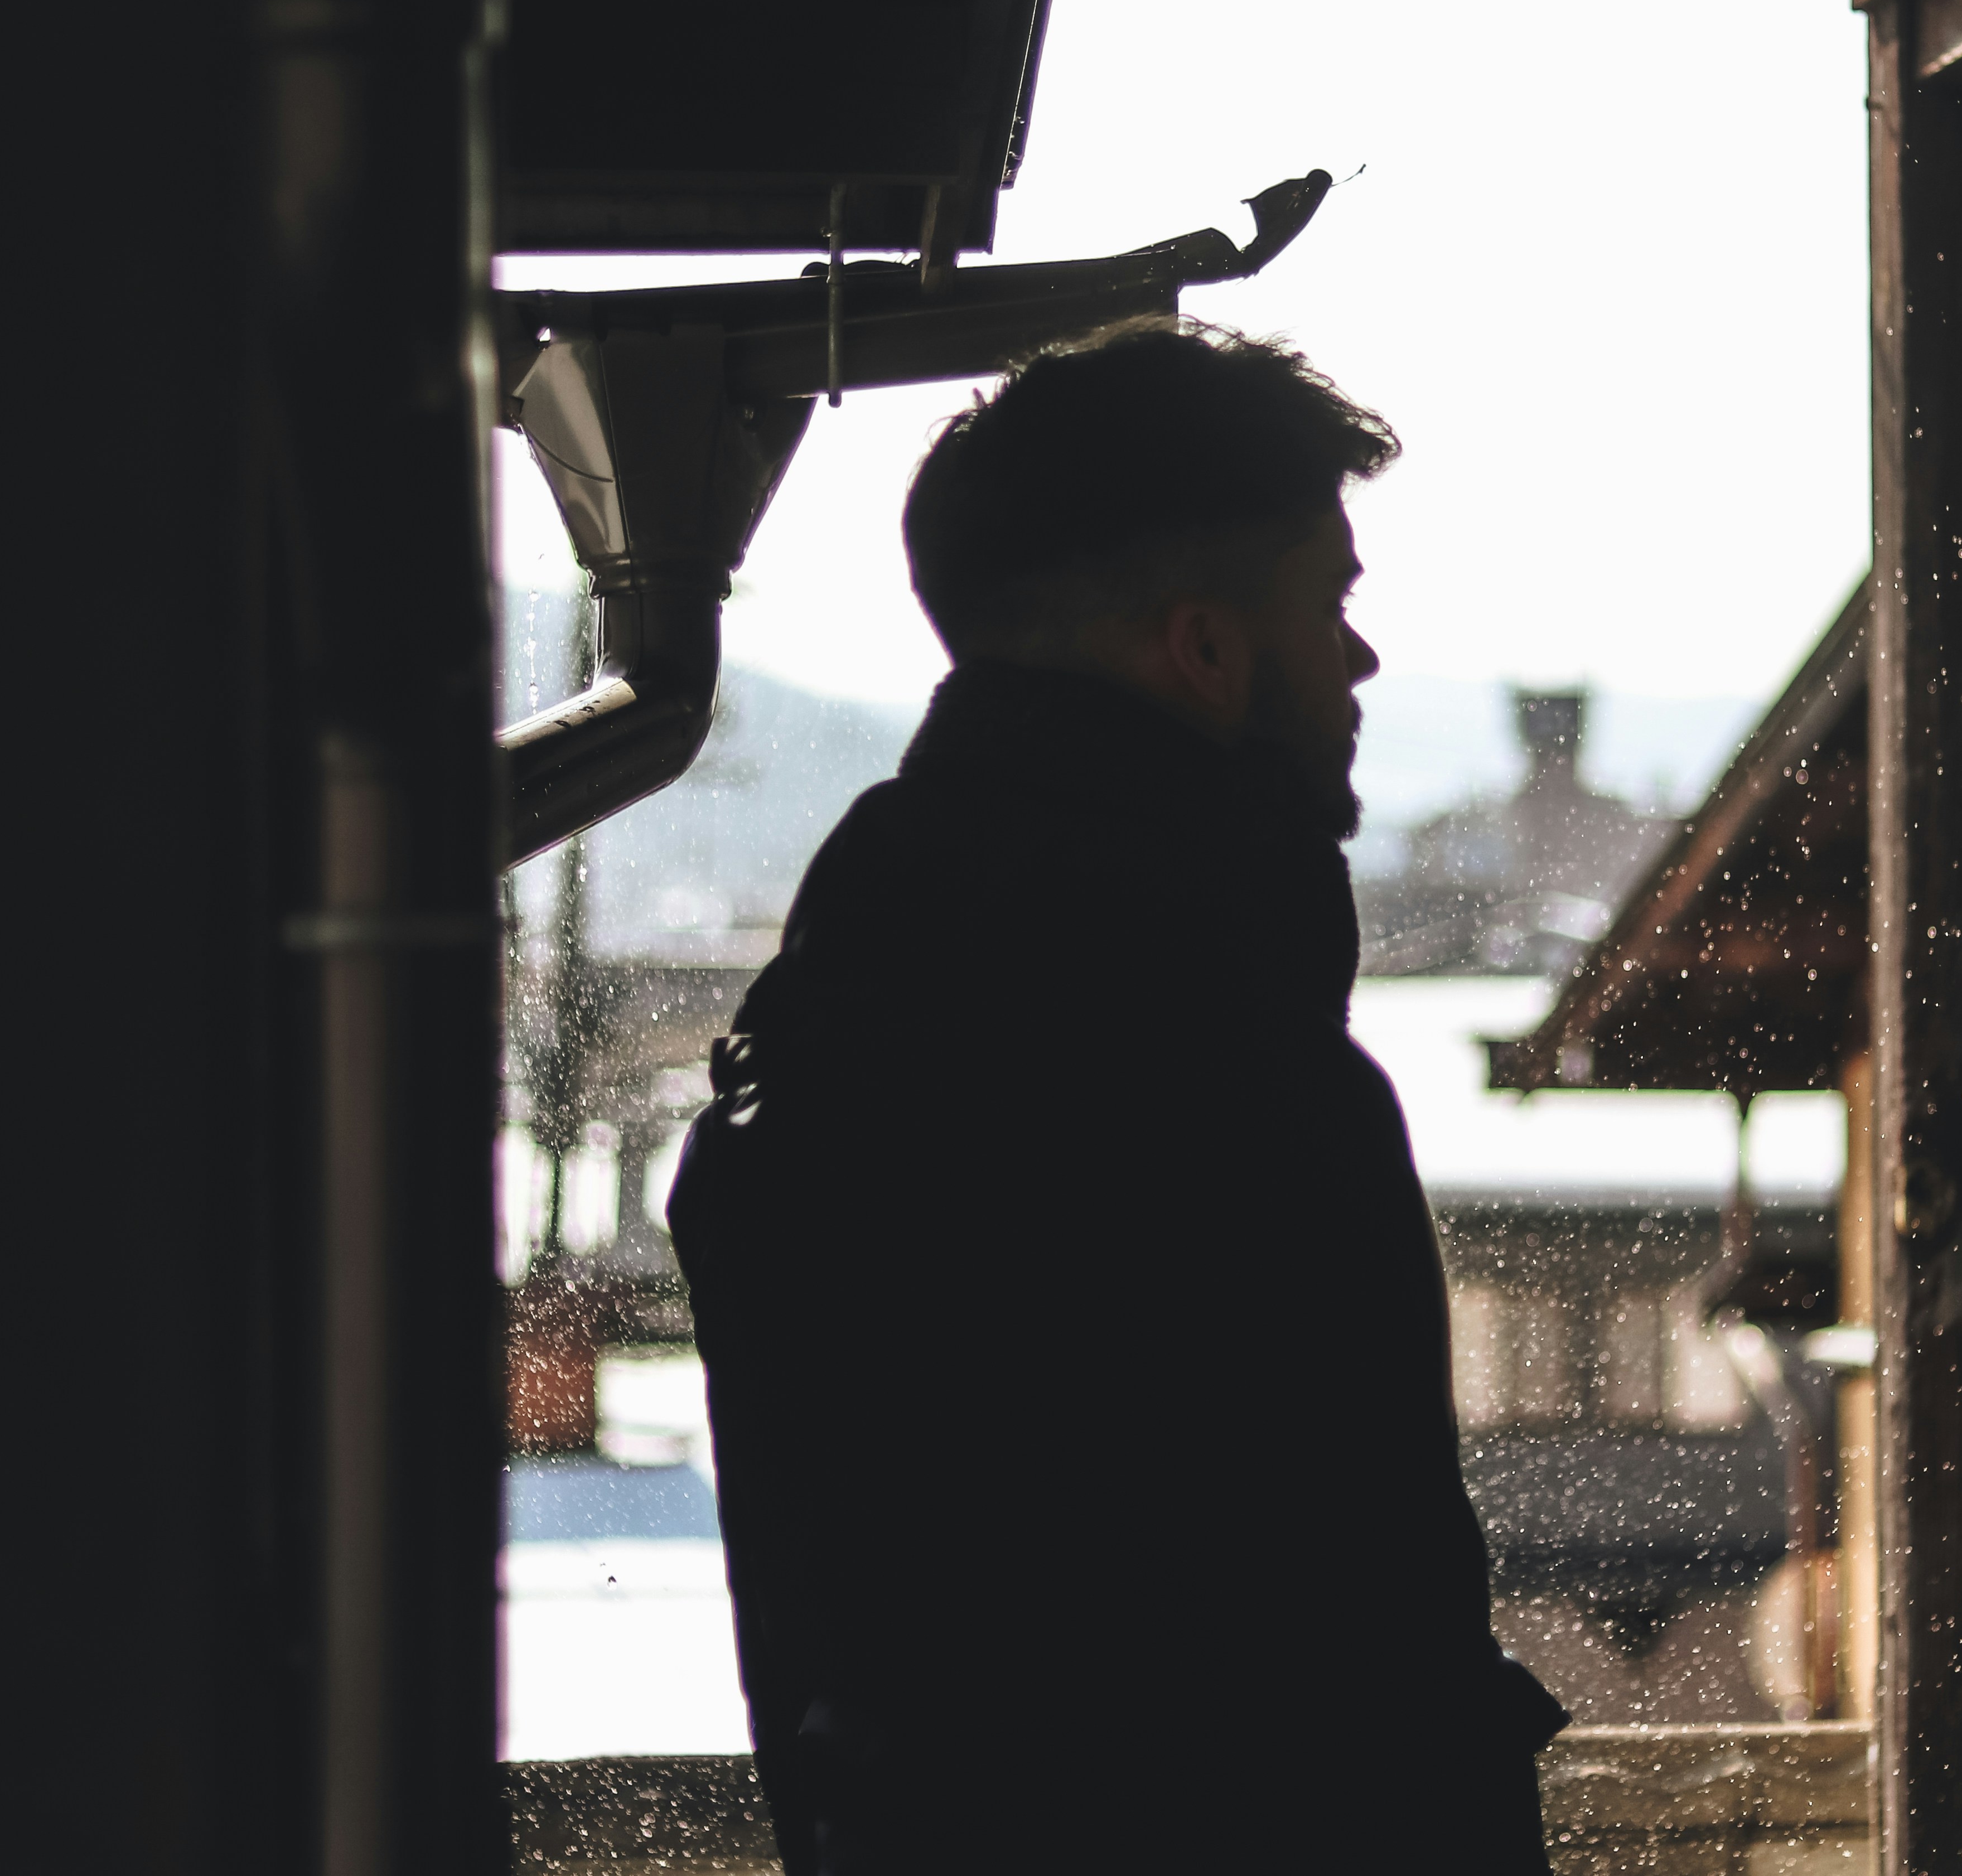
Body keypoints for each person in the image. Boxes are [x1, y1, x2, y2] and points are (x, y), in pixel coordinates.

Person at [668, 320, 1568, 1873]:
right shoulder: (1213, 1051)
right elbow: (1349, 1653)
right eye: (1331, 601)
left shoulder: (841, 1008)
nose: (1359, 659)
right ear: (1204, 647)